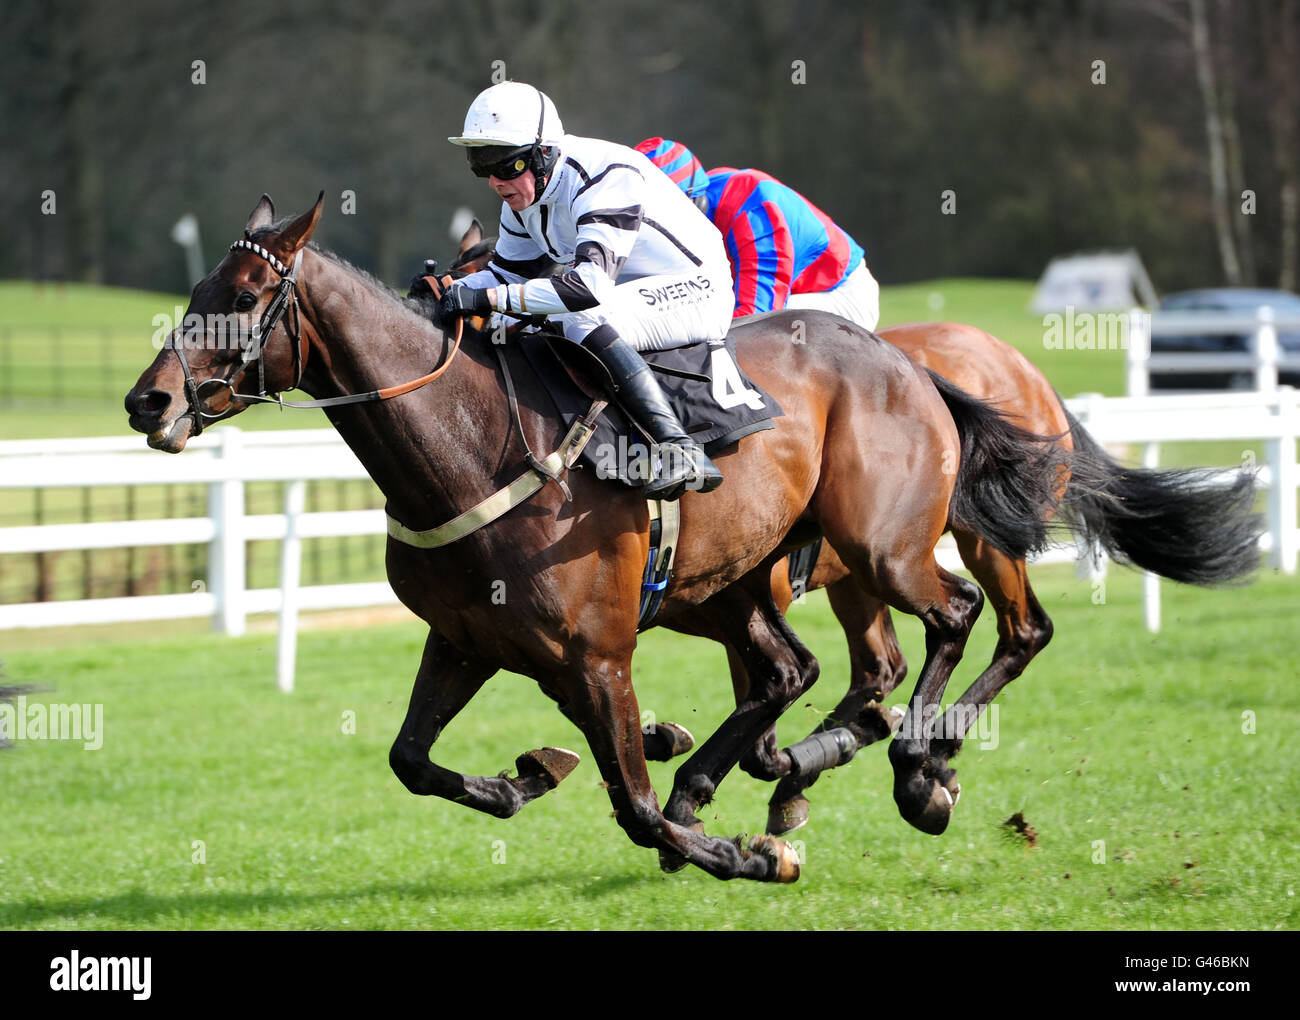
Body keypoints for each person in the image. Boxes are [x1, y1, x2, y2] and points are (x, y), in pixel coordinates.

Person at [431, 83, 735, 501]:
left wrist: (483, 300)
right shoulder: (523, 196)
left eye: (505, 165)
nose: (494, 181)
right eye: (481, 165)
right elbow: (504, 274)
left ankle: (678, 447)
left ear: (543, 155)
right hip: (625, 292)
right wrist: (444, 290)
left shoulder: (606, 177)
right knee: (526, 318)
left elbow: (584, 290)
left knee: (574, 316)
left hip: (697, 290)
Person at [635, 138, 880, 329]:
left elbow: (756, 314)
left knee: (747, 331)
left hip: (836, 294)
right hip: (781, 295)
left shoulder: (755, 213)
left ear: (689, 200)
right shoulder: (699, 196)